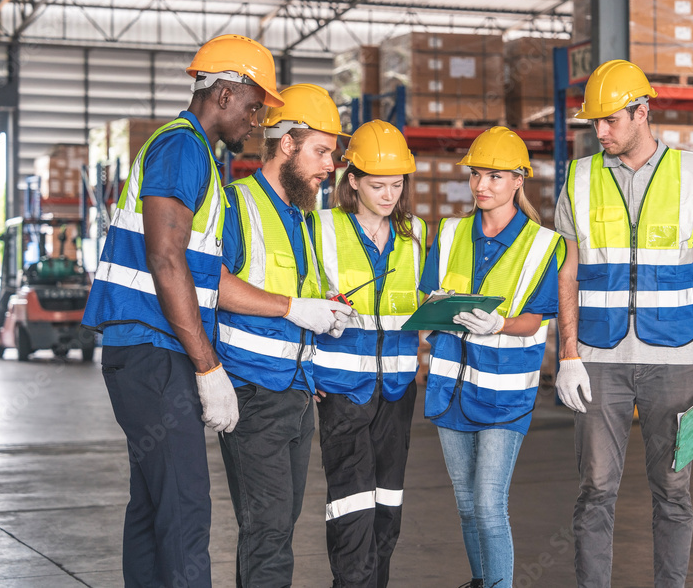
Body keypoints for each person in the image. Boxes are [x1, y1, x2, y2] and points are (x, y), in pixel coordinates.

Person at [81, 33, 282, 588]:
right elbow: (165, 258)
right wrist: (207, 366)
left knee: (153, 506)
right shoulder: (182, 147)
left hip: (144, 350)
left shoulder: (194, 154)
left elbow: (197, 270)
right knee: (187, 506)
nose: (257, 119)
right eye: (254, 104)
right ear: (223, 93)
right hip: (154, 350)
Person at [553, 59, 693, 588]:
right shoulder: (579, 177)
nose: (600, 131)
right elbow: (568, 273)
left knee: (675, 491)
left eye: (610, 120)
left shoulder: (692, 175)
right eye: (595, 123)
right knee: (595, 491)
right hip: (598, 360)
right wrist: (567, 354)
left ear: (643, 111)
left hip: (676, 358)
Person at [214, 83, 356, 587]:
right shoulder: (236, 205)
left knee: (280, 525)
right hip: (252, 393)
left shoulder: (304, 218)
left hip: (297, 392)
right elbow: (210, 281)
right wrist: (294, 308)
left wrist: (329, 312)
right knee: (268, 531)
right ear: (287, 145)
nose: (330, 166)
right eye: (321, 151)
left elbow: (305, 298)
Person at [420, 127, 565, 588]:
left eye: (495, 176)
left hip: (504, 394)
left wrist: (500, 323)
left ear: (519, 180)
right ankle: (482, 581)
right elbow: (426, 296)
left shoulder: (543, 245)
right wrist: (435, 306)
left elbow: (537, 318)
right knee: (466, 505)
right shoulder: (448, 234)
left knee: (487, 504)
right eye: (476, 174)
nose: (482, 185)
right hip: (450, 388)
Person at [309, 119, 425, 588]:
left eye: (397, 184)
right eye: (377, 185)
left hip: (397, 389)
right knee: (351, 506)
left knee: (387, 507)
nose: (388, 194)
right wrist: (305, 368)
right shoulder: (321, 228)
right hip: (340, 389)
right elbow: (301, 300)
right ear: (351, 180)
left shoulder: (414, 232)